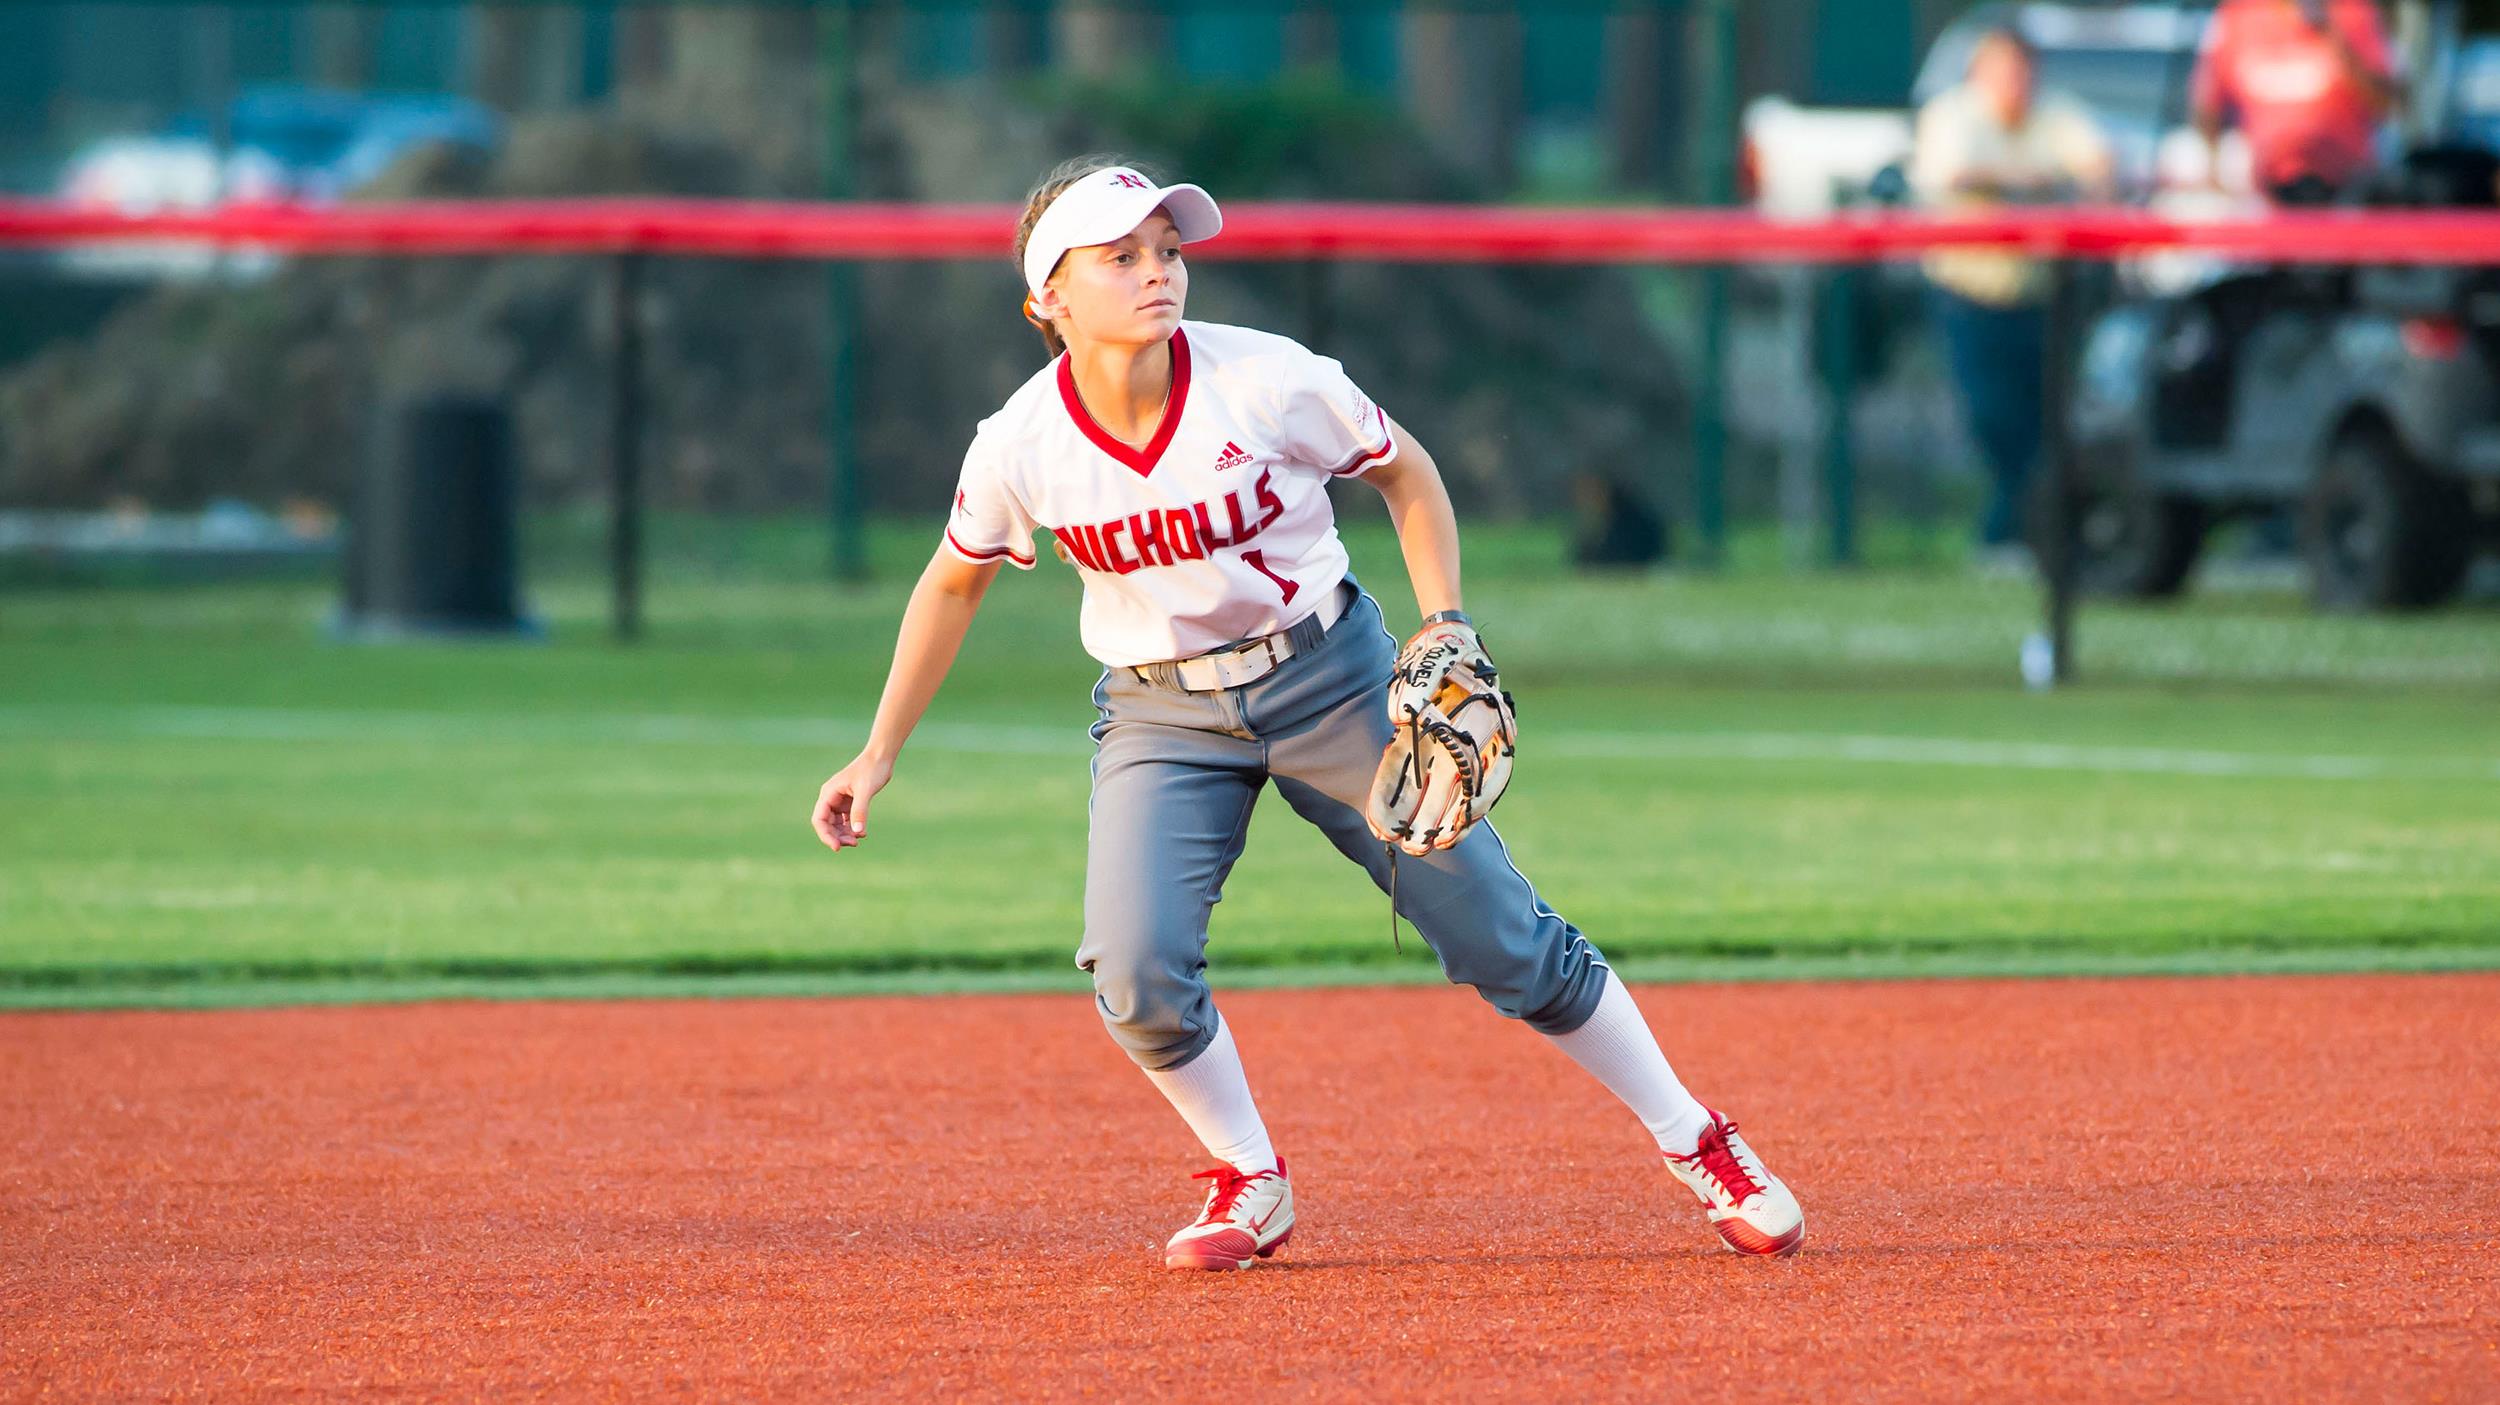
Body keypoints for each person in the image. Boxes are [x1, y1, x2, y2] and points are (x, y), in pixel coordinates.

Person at [808, 156, 1804, 1271]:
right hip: (1161, 714)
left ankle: (1695, 1137)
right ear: (1048, 298)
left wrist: (1444, 623)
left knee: (1499, 935)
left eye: (1167, 250)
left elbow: (1407, 475)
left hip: (1329, 675)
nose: (1157, 272)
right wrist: (877, 750)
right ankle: (1250, 1175)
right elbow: (952, 582)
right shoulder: (1021, 442)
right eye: (1120, 257)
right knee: (1135, 972)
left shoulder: (1266, 378)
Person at [1911, 26, 2115, 560]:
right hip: (1971, 294)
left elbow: (2099, 170)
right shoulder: (1954, 116)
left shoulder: (2055, 114)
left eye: (2021, 69)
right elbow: (1955, 176)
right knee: (1993, 417)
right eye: (2001, 70)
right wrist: (2041, 182)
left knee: (2048, 420)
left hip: (2044, 296)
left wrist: (2013, 184)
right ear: (1979, 73)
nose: (2013, 82)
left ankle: (2016, 533)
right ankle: (2018, 528)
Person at [2192, 0, 2402, 205]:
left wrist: (2331, 34)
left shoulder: (2354, 11)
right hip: (2266, 194)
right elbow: (2208, 101)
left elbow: (2387, 104)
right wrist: (2214, 173)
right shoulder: (2239, 14)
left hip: (2347, 193)